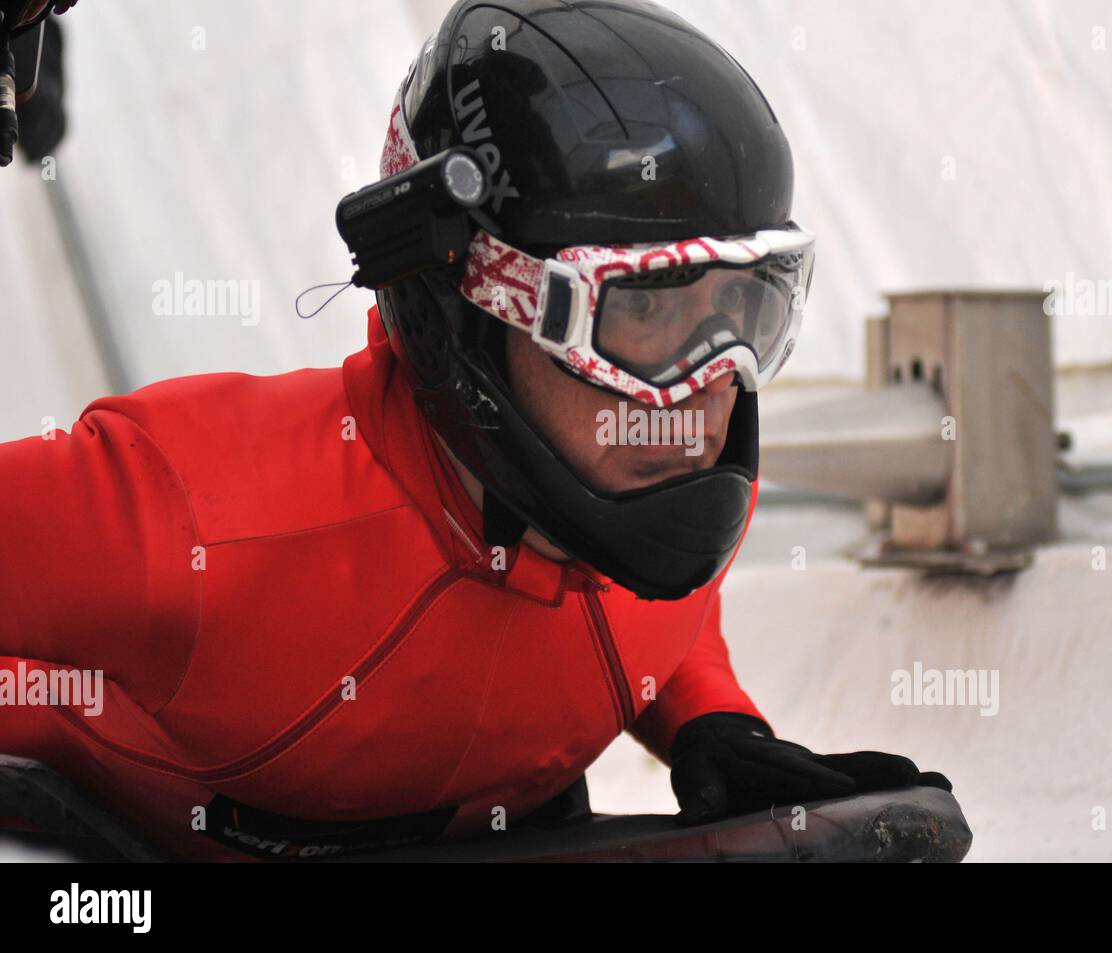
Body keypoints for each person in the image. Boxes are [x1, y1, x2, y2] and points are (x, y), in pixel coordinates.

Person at [0, 0, 948, 861]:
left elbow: (654, 616)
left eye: (743, 312)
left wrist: (716, 724)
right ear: (472, 304)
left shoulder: (645, 474)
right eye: (644, 312)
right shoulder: (193, 514)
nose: (704, 391)